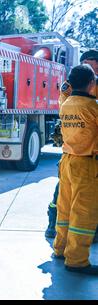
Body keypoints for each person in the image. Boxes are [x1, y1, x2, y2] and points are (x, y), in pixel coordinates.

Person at [45, 49, 98, 239]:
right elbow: (67, 107)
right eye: (87, 64)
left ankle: (70, 239)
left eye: (93, 65)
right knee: (67, 197)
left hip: (82, 151)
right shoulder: (71, 87)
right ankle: (55, 225)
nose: (90, 69)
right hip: (79, 151)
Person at [53, 64, 98, 275]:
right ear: (92, 84)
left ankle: (60, 249)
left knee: (65, 208)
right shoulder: (93, 108)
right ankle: (77, 260)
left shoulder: (66, 104)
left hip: (67, 161)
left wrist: (65, 89)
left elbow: (64, 96)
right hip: (87, 164)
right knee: (83, 212)